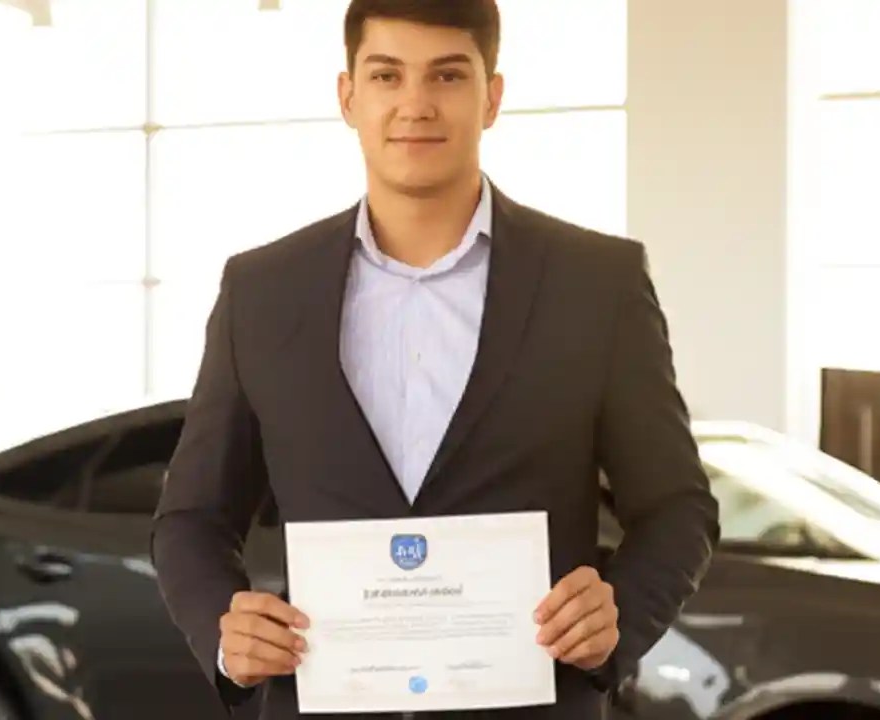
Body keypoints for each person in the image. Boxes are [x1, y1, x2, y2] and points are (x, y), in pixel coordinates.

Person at [151, 0, 720, 717]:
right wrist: (223, 629)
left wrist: (619, 616)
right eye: (387, 76)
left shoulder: (597, 283)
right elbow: (191, 518)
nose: (415, 104)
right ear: (348, 96)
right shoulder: (261, 291)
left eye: (447, 76)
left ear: (492, 97)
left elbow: (677, 507)